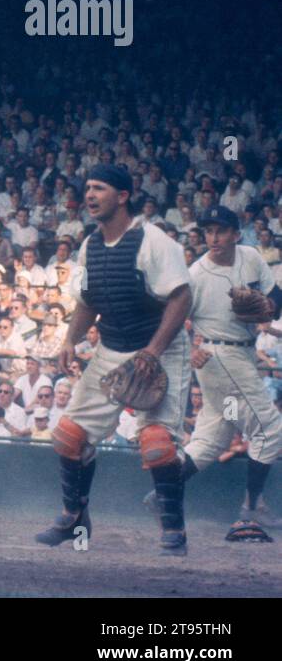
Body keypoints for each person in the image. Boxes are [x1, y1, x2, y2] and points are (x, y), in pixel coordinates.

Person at [35, 166, 193, 556]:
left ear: (122, 195)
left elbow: (181, 298)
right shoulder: (89, 245)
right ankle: (74, 518)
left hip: (160, 346)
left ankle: (174, 530)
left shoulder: (154, 241)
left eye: (99, 188)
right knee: (68, 436)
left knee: (156, 442)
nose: (89, 194)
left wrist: (153, 352)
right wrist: (70, 339)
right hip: (112, 347)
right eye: (86, 187)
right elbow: (87, 301)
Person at [166, 206, 282, 539]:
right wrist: (190, 349)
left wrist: (269, 307)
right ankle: (251, 507)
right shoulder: (196, 274)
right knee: (270, 429)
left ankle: (161, 495)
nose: (213, 237)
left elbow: (275, 294)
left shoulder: (250, 256)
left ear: (235, 233)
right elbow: (172, 318)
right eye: (208, 231)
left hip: (242, 354)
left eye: (220, 230)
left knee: (213, 437)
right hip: (219, 356)